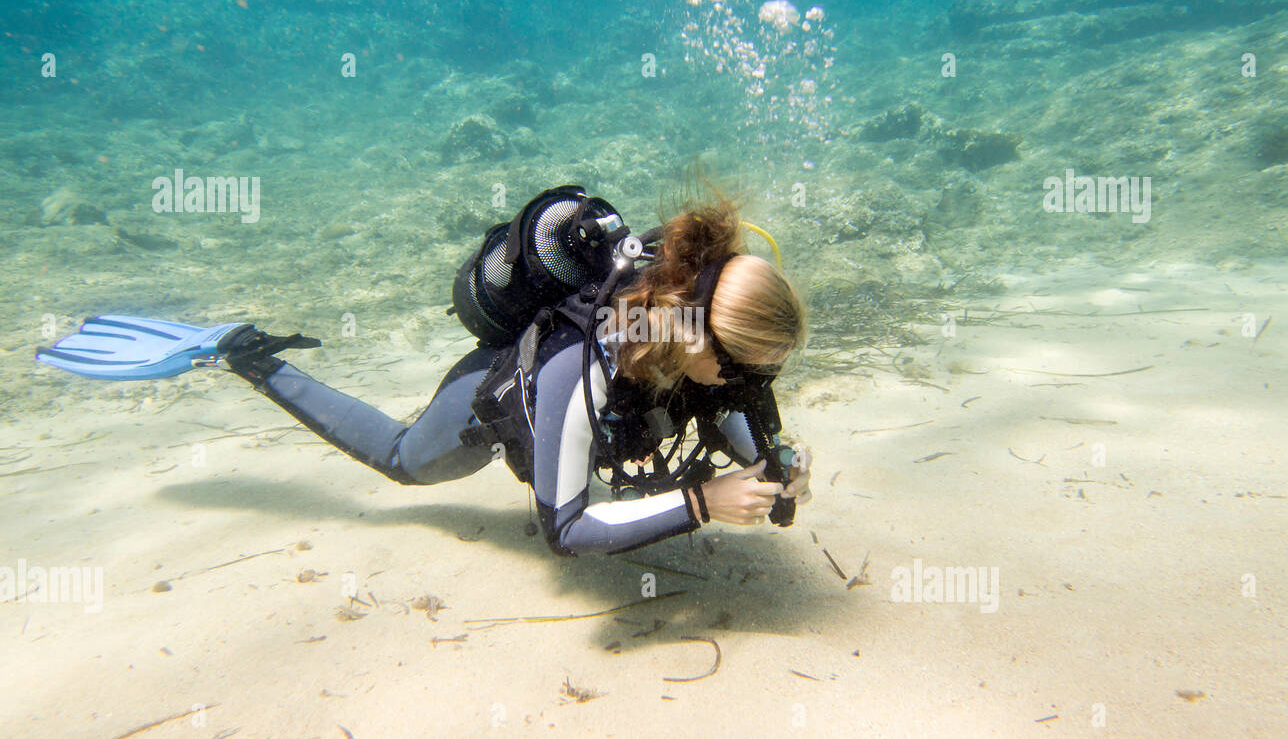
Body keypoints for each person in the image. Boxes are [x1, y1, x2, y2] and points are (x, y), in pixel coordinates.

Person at [38, 188, 812, 556]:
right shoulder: (589, 364)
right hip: (496, 396)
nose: (750, 386)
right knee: (403, 460)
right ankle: (245, 355)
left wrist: (768, 463)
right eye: (745, 368)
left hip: (606, 376)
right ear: (698, 338)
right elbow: (567, 528)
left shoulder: (685, 322)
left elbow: (731, 404)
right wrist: (704, 502)